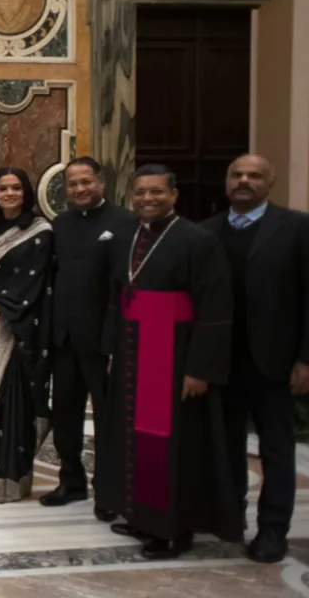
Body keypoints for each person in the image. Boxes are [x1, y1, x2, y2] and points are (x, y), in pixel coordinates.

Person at [99, 164, 242, 560]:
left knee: (169, 444)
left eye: (157, 192)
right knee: (131, 435)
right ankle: (140, 515)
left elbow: (215, 309)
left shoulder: (198, 240)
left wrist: (199, 368)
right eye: (141, 192)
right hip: (133, 348)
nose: (148, 199)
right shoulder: (127, 236)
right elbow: (117, 296)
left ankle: (173, 529)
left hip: (172, 352)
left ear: (174, 195)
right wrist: (113, 349)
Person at [204, 154, 309, 563]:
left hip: (275, 363)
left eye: (254, 175)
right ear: (227, 181)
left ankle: (272, 531)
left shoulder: (298, 228)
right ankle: (231, 520)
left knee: (276, 452)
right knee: (225, 449)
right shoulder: (205, 231)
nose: (244, 181)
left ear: (271, 182)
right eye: (237, 174)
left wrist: (306, 359)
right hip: (222, 364)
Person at [41, 157, 135, 518]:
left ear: (101, 182)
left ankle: (110, 489)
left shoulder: (124, 223)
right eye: (73, 184)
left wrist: (115, 343)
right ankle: (71, 481)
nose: (80, 189)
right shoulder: (61, 224)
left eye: (86, 182)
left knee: (110, 419)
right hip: (65, 338)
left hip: (103, 342)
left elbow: (123, 288)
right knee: (65, 414)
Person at [0, 167, 53, 503]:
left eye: (16, 188)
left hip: (23, 329)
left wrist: (1, 307)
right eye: (3, 188)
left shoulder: (41, 231)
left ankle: (12, 477)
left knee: (16, 402)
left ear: (26, 192)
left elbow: (38, 280)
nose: (10, 193)